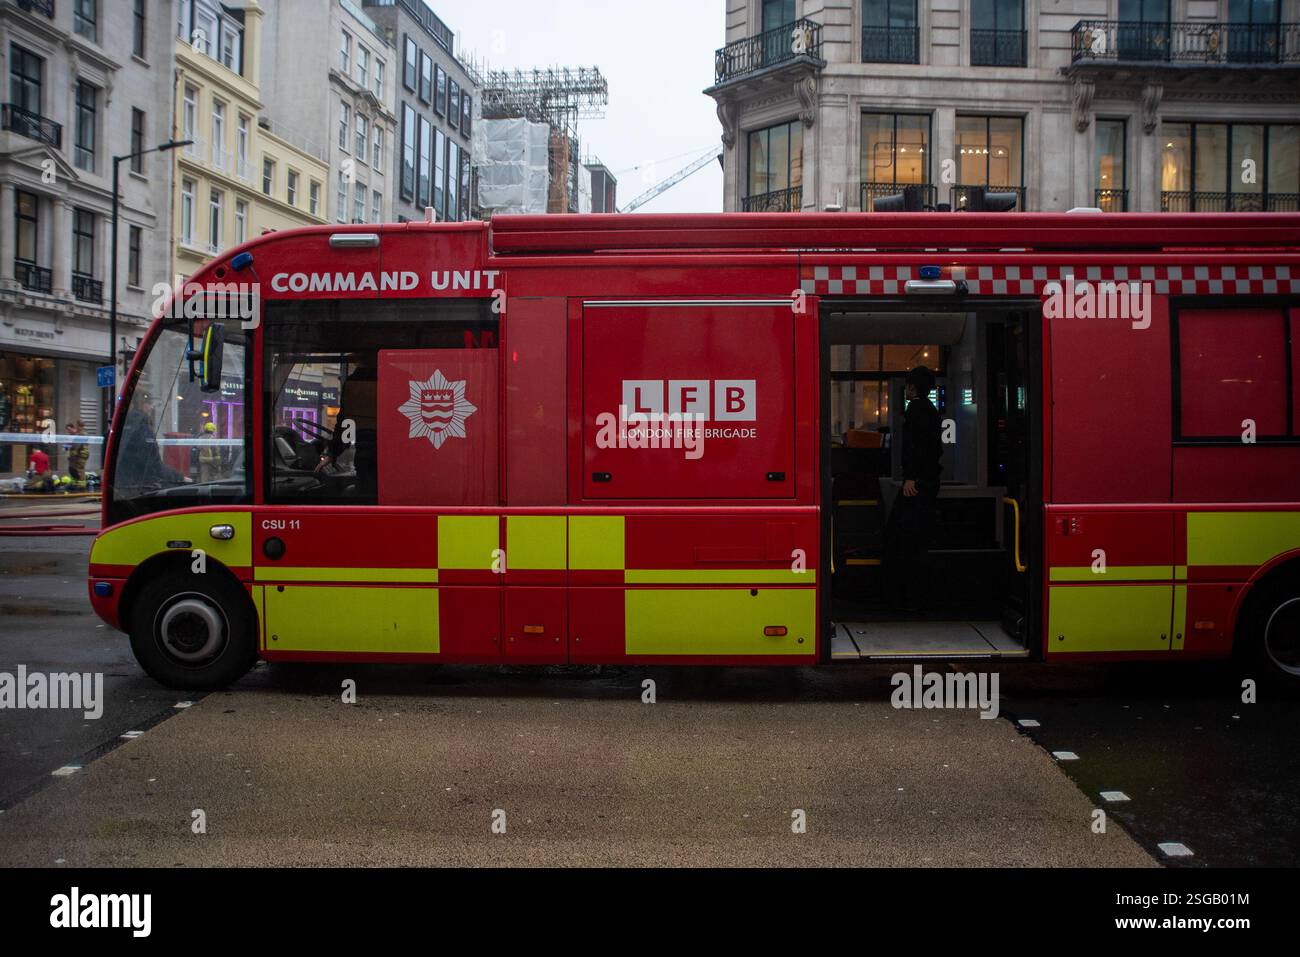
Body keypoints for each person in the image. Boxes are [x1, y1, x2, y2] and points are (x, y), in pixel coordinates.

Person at [883, 365, 943, 612]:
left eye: (908, 385)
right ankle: (917, 597)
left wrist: (911, 477)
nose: (906, 390)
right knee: (915, 541)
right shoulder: (931, 410)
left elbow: (914, 448)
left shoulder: (915, 410)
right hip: (928, 481)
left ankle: (906, 598)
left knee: (901, 539)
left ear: (913, 387)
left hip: (917, 483)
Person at [116, 390, 188, 489]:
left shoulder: (119, 427)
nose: (151, 408)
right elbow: (153, 466)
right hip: (139, 488)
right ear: (142, 405)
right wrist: (180, 478)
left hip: (120, 486)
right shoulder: (143, 431)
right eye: (149, 404)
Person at [65, 421, 89, 487]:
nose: (69, 431)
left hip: (79, 455)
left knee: (79, 469)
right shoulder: (78, 434)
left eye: (69, 429)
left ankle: (81, 484)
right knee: (73, 469)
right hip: (75, 455)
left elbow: (77, 445)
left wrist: (69, 447)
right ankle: (78, 483)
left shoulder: (81, 434)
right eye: (67, 430)